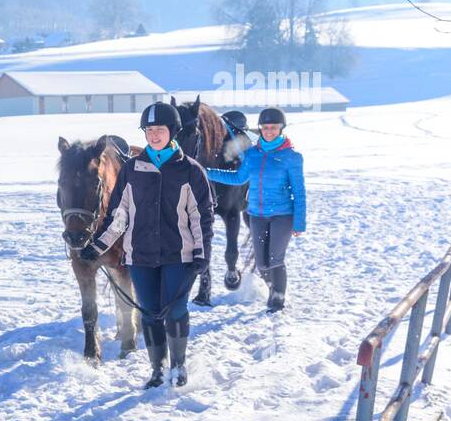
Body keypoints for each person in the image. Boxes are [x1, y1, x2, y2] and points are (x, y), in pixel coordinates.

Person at [80, 102, 214, 388]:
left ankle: (178, 366)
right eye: (149, 130)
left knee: (175, 309)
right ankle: (157, 369)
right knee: (150, 312)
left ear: (173, 132)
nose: (153, 136)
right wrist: (98, 246)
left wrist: (203, 254)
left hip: (180, 255)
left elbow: (201, 217)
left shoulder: (191, 171)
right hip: (141, 256)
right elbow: (119, 216)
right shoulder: (132, 170)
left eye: (159, 130)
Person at [204, 107, 306, 313]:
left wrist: (299, 222)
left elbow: (299, 191)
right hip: (257, 215)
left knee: (276, 258)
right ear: (260, 129)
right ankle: (272, 287)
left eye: (273, 127)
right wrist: (207, 173)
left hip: (282, 215)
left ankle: (278, 297)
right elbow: (238, 178)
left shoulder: (291, 156)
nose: (269, 131)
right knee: (262, 263)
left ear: (281, 129)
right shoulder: (252, 154)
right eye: (265, 127)